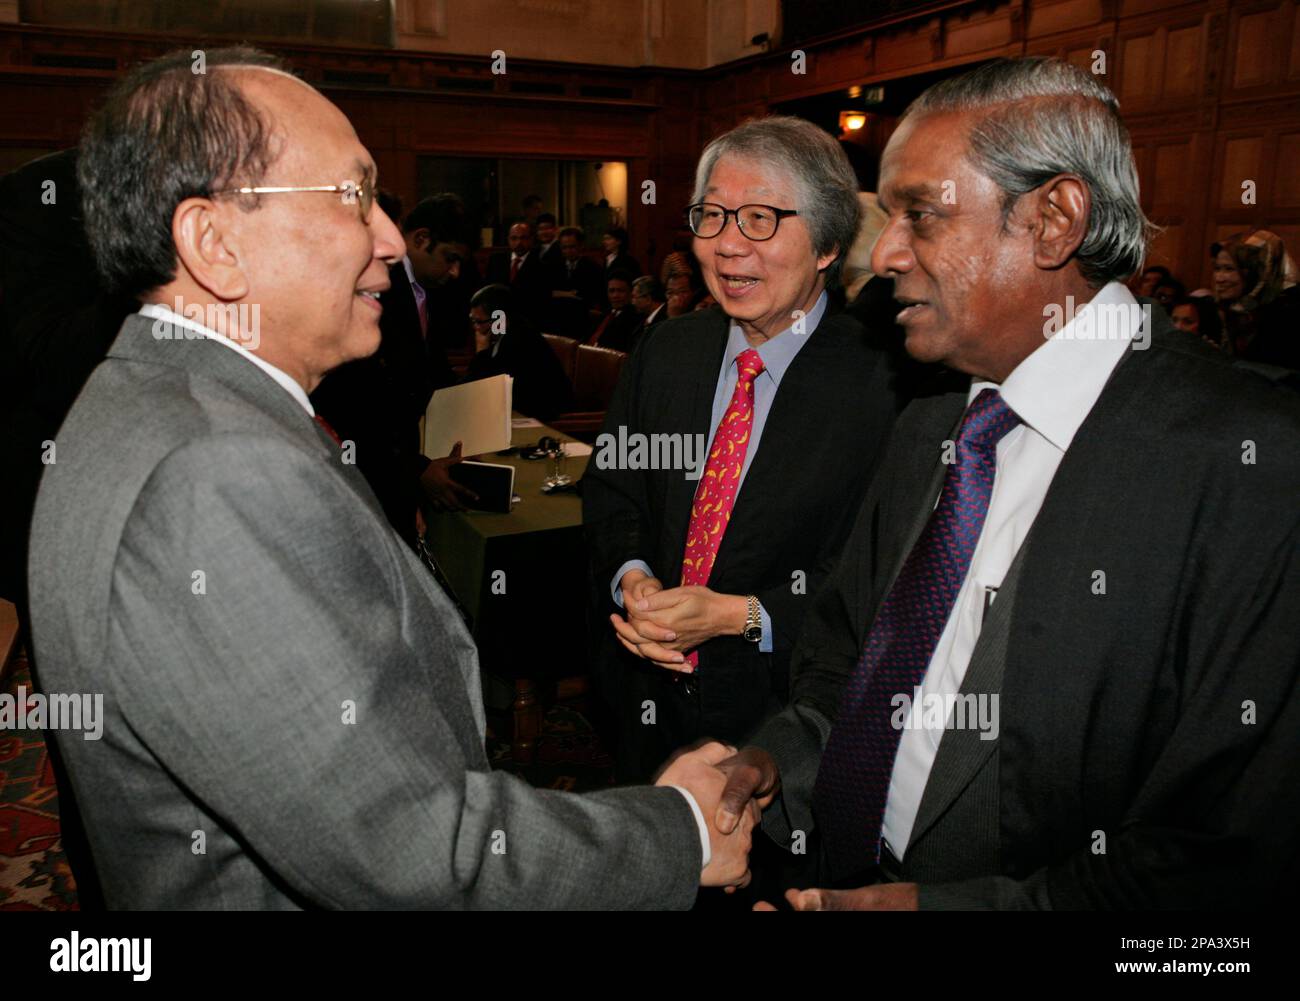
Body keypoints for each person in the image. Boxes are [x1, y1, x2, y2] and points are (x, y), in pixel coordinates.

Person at [26, 46, 755, 910]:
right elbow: (405, 849)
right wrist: (680, 828)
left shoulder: (158, 396)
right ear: (214, 243)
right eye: (351, 196)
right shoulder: (213, 471)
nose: (387, 238)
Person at [716, 57, 1300, 911]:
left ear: (1054, 219)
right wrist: (772, 766)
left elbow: (1225, 855)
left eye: (920, 213)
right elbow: (843, 661)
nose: (885, 253)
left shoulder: (1253, 464)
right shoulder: (926, 424)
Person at [582, 116, 906, 785]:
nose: (728, 246)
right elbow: (615, 487)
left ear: (826, 244)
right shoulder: (669, 350)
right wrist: (635, 578)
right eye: (712, 216)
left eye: (760, 218)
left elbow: (876, 580)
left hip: (782, 731)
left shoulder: (888, 388)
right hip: (642, 707)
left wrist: (739, 615)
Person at [311, 192, 467, 542]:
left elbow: (428, 371)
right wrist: (419, 468)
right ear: (421, 239)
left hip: (404, 455)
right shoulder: (378, 288)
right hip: (368, 465)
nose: (455, 272)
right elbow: (357, 399)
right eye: (449, 258)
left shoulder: (429, 290)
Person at [465, 284, 575, 421]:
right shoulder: (502, 335)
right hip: (514, 412)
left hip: (543, 419)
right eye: (472, 320)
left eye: (479, 322)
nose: (476, 328)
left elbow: (491, 388)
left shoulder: (521, 339)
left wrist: (481, 352)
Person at [1211, 230, 1300, 370]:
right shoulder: (1228, 309)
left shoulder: (1288, 314)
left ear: (1257, 271)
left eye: (1229, 269)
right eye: (1217, 268)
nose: (1219, 278)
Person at [547, 225, 603, 337]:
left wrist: (559, 293)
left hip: (582, 322)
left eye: (572, 247)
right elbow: (546, 292)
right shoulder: (552, 267)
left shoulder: (592, 268)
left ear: (581, 246)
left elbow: (587, 295)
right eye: (564, 247)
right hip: (556, 322)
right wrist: (567, 294)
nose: (568, 251)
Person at [587, 269, 641, 351]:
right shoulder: (606, 313)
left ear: (631, 293)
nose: (615, 295)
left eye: (621, 291)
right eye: (611, 291)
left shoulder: (635, 318)